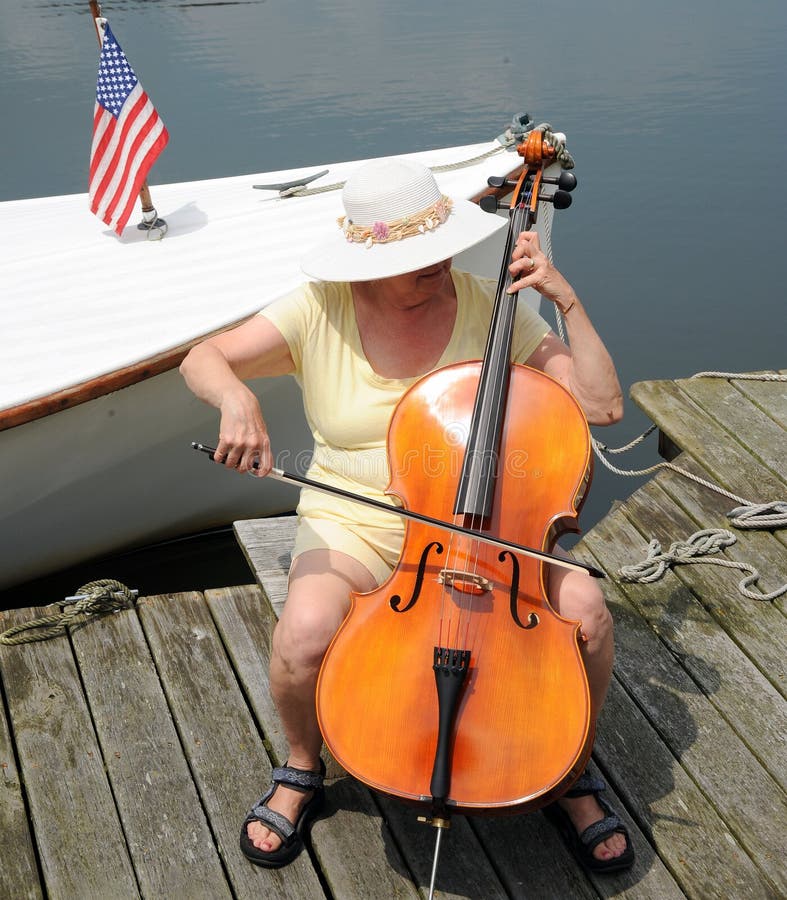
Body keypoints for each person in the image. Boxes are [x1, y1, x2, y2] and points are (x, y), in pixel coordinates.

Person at [180, 157, 633, 874]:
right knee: (301, 637)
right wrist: (237, 401)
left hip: (486, 531)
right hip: (354, 522)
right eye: (416, 259)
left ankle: (570, 766)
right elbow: (202, 357)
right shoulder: (317, 308)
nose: (440, 266)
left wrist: (566, 302)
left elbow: (601, 407)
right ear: (367, 259)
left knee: (588, 612)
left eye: (441, 250)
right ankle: (302, 765)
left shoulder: (490, 307)